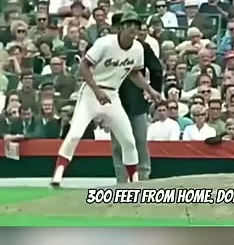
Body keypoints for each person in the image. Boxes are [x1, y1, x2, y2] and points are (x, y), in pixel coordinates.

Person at [50, 11, 162, 187]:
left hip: (112, 95)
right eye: (129, 24)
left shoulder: (138, 48)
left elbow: (134, 74)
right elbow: (84, 66)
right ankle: (58, 175)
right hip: (90, 93)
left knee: (128, 140)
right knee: (75, 134)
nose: (133, 28)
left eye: (136, 25)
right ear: (121, 27)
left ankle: (134, 181)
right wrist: (96, 90)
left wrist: (150, 89)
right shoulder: (105, 43)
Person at [109, 12, 164, 183]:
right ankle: (123, 181)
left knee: (138, 141)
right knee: (120, 144)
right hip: (114, 99)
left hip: (135, 99)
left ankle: (142, 179)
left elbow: (156, 69)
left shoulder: (141, 47)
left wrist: (153, 91)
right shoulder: (107, 47)